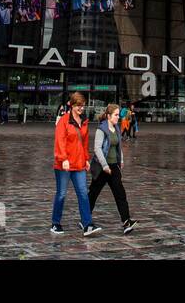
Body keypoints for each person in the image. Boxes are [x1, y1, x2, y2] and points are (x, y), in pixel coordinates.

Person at [51, 92, 100, 236]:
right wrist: (63, 158)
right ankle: (55, 223)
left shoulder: (84, 121)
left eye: (83, 106)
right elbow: (60, 141)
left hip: (79, 164)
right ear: (71, 105)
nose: (81, 108)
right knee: (61, 194)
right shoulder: (64, 121)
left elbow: (84, 142)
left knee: (83, 193)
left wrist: (86, 158)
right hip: (64, 165)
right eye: (78, 106)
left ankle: (87, 224)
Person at [89, 103, 137, 234]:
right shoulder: (101, 129)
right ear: (109, 116)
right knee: (93, 194)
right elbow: (97, 149)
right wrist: (104, 166)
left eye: (118, 115)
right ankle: (85, 219)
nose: (118, 117)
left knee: (120, 193)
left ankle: (126, 221)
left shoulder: (116, 128)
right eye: (116, 115)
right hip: (101, 167)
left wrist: (120, 160)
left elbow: (118, 146)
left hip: (114, 166)